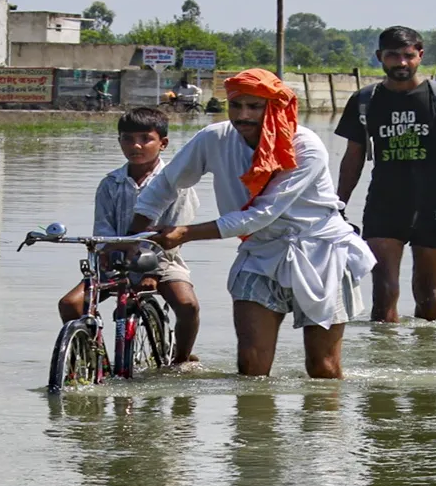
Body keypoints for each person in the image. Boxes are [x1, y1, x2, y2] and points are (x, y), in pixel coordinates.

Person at [137, 69, 376, 379]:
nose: (243, 115)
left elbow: (262, 213)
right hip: (260, 252)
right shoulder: (215, 138)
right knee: (251, 369)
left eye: (254, 106)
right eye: (236, 105)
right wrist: (134, 234)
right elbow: (166, 183)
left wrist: (186, 233)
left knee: (323, 368)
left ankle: (325, 411)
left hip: (320, 252)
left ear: (273, 107)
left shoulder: (305, 146)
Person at [335, 26, 436, 322]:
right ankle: (385, 349)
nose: (401, 62)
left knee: (428, 293)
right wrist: (337, 206)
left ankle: (427, 349)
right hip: (385, 205)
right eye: (393, 55)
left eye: (408, 55)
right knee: (384, 291)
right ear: (380, 57)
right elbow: (353, 158)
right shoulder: (365, 100)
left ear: (420, 55)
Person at [57, 107, 202, 364]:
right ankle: (94, 359)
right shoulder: (111, 183)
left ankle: (181, 360)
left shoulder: (177, 183)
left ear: (163, 143)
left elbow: (174, 235)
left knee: (187, 305)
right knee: (70, 304)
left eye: (145, 139)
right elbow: (103, 229)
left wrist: (151, 273)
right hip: (116, 261)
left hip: (163, 261)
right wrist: (104, 253)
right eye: (128, 139)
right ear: (120, 141)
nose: (136, 145)